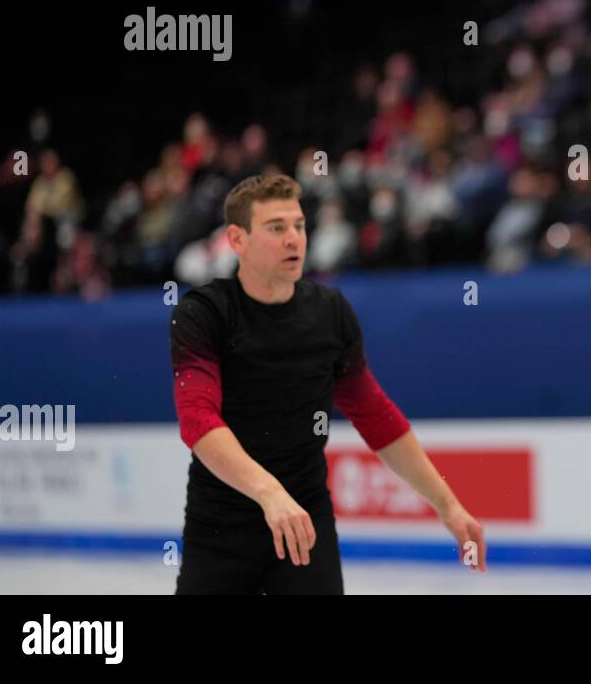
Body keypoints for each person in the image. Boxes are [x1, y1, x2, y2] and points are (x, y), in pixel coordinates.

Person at [170, 173, 485, 593]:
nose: (294, 239)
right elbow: (197, 421)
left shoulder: (330, 313)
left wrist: (448, 505)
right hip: (220, 528)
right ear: (237, 239)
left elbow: (376, 417)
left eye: (299, 226)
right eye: (276, 228)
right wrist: (269, 493)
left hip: (305, 525)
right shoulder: (204, 314)